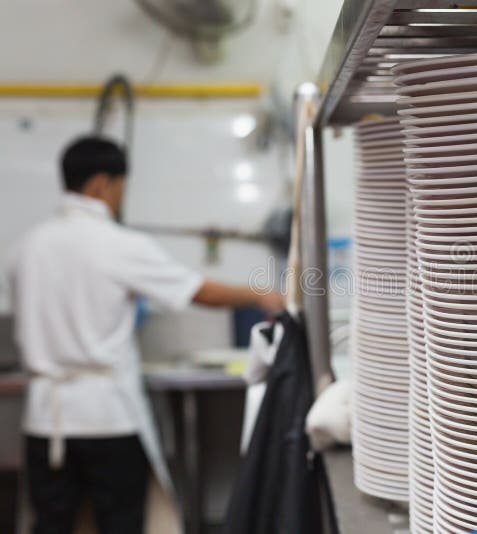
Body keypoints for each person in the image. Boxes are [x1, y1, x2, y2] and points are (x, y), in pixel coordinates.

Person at [5, 136, 284, 534]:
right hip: (107, 418)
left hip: (45, 419)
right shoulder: (118, 244)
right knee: (120, 523)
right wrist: (261, 294)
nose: (121, 197)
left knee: (52, 524)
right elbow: (196, 291)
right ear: (102, 183)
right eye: (121, 186)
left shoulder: (25, 248)